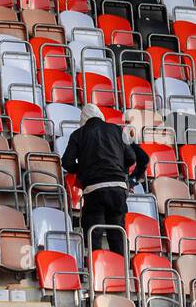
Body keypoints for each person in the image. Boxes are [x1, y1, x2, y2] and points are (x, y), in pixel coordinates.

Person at [60, 102, 149, 258]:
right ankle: (121, 272)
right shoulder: (117, 130)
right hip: (118, 188)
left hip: (94, 189)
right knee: (117, 234)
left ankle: (97, 272)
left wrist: (82, 170)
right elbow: (132, 157)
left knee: (94, 234)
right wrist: (121, 171)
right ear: (101, 116)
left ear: (84, 120)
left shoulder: (78, 134)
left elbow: (66, 162)